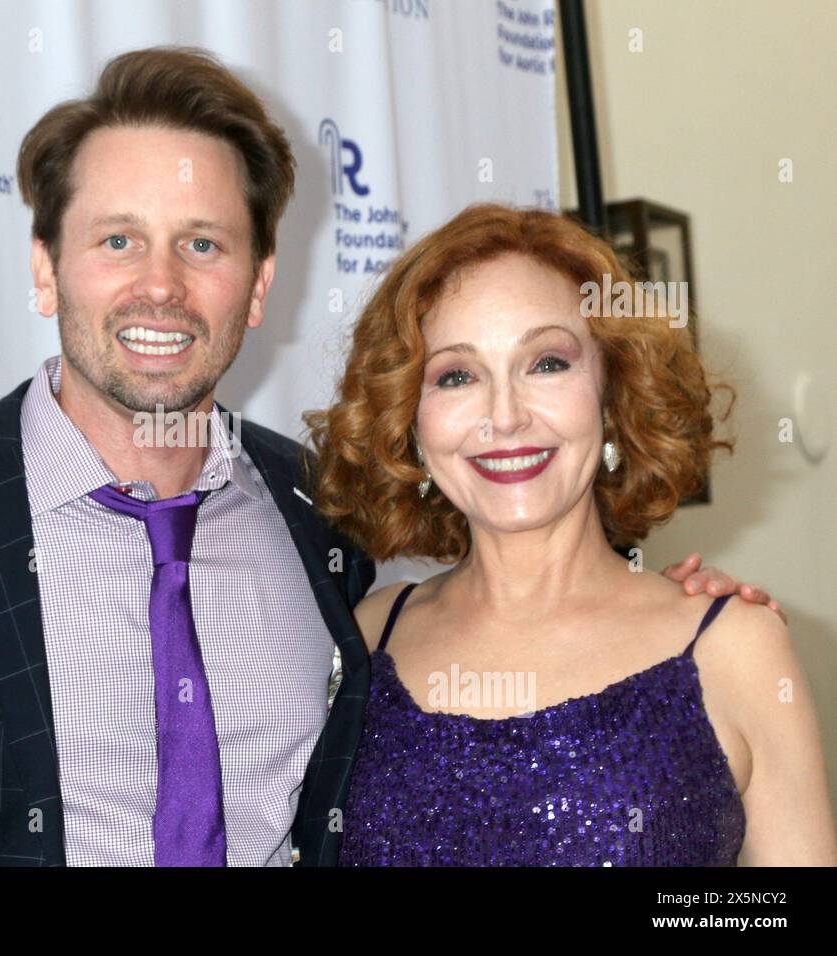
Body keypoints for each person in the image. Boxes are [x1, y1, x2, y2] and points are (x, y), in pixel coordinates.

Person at [0, 49, 774, 867]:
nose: (159, 287)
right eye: (116, 237)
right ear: (43, 267)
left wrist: (665, 616)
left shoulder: (319, 516)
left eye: (204, 243)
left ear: (260, 285)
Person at [305, 204, 836, 866]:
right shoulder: (363, 637)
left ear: (612, 392)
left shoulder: (734, 646)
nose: (504, 416)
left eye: (546, 363)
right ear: (408, 420)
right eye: (456, 376)